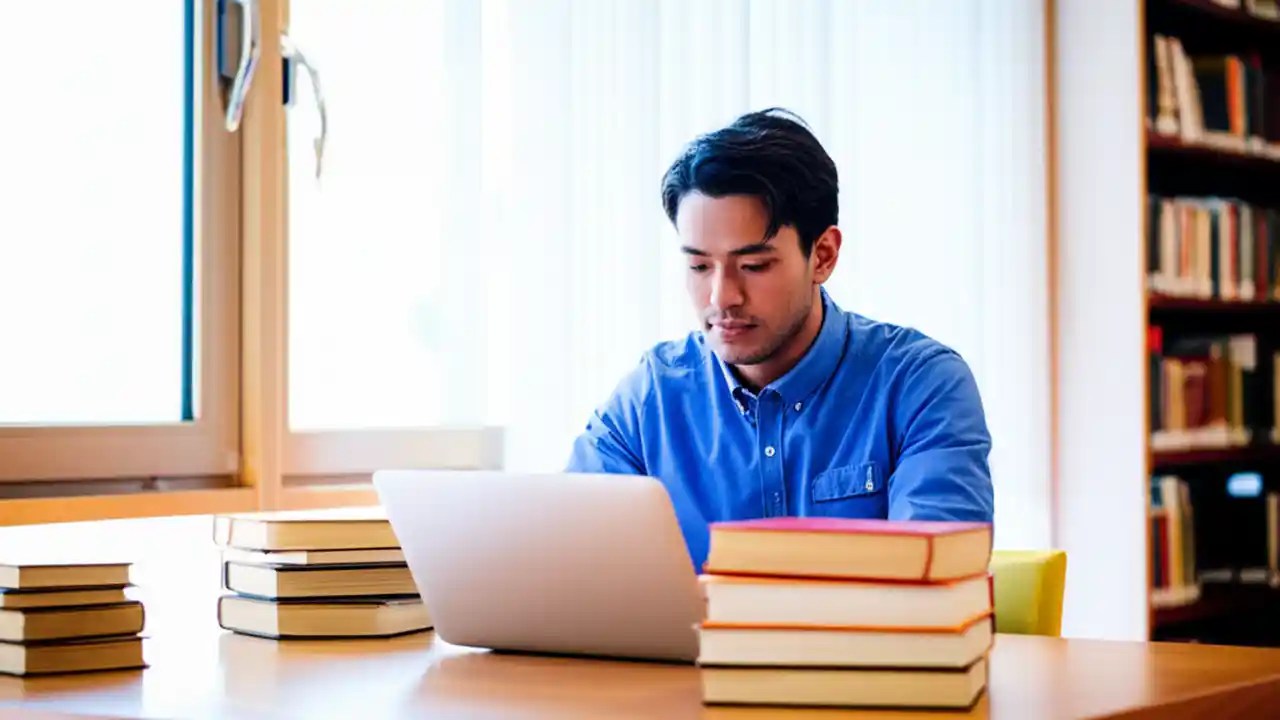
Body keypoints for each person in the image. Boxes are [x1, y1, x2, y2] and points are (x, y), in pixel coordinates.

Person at [566, 108, 993, 568]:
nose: (722, 296)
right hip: (691, 644)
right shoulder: (649, 399)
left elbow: (934, 583)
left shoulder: (921, 386)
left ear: (823, 255)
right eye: (698, 266)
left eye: (753, 266)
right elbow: (567, 564)